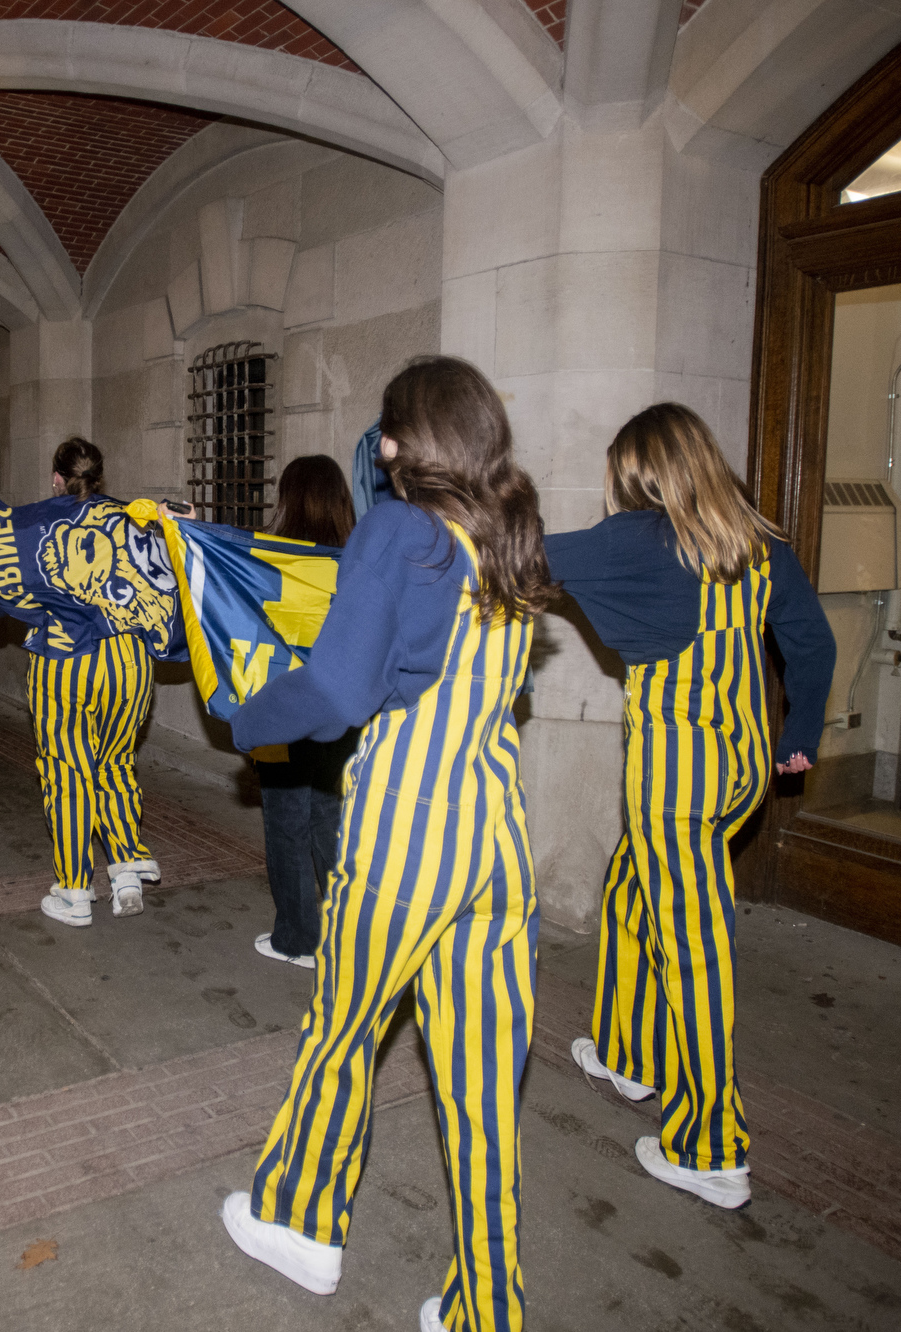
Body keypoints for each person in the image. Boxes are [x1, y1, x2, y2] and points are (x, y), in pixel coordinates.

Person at [218, 356, 549, 1332]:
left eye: (385, 434)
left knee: (344, 1032)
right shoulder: (507, 536)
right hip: (495, 839)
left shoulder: (399, 530)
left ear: (400, 442)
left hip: (410, 830)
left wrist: (245, 718)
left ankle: (298, 1222)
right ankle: (488, 1302)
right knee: (485, 1083)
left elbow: (336, 690)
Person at [545, 402, 835, 1212]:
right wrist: (800, 734)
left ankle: (712, 1149)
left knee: (694, 952)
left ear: (638, 475)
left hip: (677, 784)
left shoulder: (637, 542)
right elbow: (812, 643)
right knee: (628, 887)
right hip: (743, 773)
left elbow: (517, 554)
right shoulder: (758, 545)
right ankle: (629, 1054)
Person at [0, 437, 167, 928]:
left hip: (65, 661)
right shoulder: (134, 517)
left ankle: (75, 891)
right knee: (116, 761)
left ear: (57, 478)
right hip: (129, 660)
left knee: (67, 771)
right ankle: (126, 872)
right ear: (99, 477)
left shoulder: (32, 522)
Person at [250, 456, 358, 971]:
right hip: (341, 711)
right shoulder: (355, 563)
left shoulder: (271, 562)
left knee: (286, 822)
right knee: (329, 818)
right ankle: (346, 935)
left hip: (285, 709)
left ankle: (297, 939)